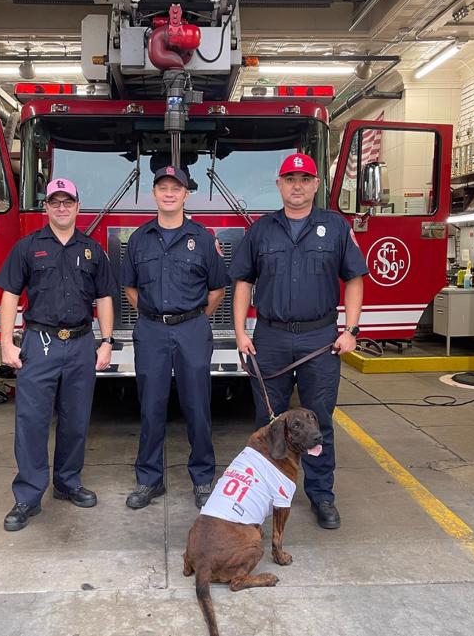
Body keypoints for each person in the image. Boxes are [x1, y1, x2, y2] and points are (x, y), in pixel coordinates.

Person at [228, 153, 368, 529]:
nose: (297, 185)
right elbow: (242, 281)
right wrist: (240, 332)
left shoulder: (336, 227)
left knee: (318, 420)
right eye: (290, 179)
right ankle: (267, 491)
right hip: (270, 339)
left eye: (304, 179)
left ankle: (322, 495)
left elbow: (355, 278)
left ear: (316, 184)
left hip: (320, 339)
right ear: (279, 185)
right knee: (269, 422)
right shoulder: (261, 230)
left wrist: (351, 330)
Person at [0, 178, 118, 531]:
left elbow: (106, 297)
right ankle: (28, 496)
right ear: (46, 207)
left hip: (81, 343)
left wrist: (106, 341)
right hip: (39, 342)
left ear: (78, 207)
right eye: (55, 202)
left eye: (68, 202)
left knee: (76, 419)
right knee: (31, 421)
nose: (62, 207)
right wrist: (6, 341)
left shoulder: (93, 250)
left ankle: (68, 483)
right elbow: (9, 294)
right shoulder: (27, 248)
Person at [121, 166, 229, 510]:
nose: (169, 193)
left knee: (197, 406)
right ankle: (149, 480)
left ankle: (202, 479)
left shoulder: (202, 237)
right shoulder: (138, 239)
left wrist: (191, 319)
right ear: (153, 194)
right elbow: (130, 288)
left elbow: (217, 289)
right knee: (151, 406)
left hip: (192, 329)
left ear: (186, 194)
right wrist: (158, 317)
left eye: (176, 188)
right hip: (151, 329)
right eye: (163, 187)